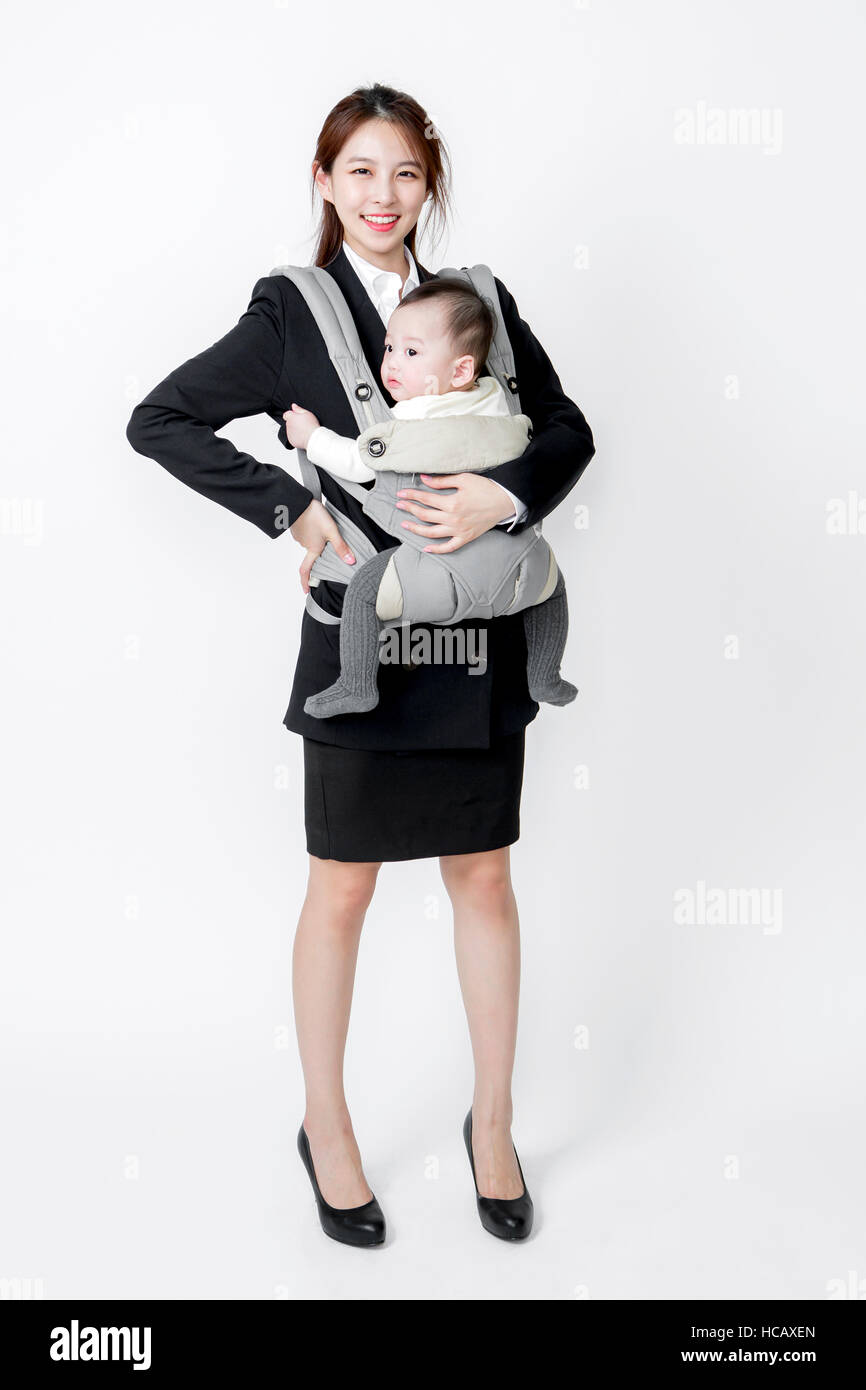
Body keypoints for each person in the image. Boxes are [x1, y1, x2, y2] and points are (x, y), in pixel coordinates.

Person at [125, 81, 596, 1246]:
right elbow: (161, 418)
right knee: (342, 886)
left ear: (427, 182)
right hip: (361, 644)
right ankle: (325, 1126)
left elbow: (569, 428)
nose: (383, 195)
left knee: (481, 877)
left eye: (405, 172)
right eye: (359, 171)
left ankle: (492, 1124)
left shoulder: (476, 299)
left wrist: (504, 489)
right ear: (325, 182)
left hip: (475, 646)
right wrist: (291, 510)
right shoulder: (290, 311)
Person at [283, 277, 577, 719]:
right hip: (519, 565)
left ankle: (357, 684)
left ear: (458, 370)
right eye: (389, 348)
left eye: (412, 353)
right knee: (553, 590)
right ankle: (545, 673)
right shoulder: (497, 401)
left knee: (364, 593)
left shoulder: (412, 419)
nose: (392, 365)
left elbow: (358, 462)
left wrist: (310, 436)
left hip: (434, 569)